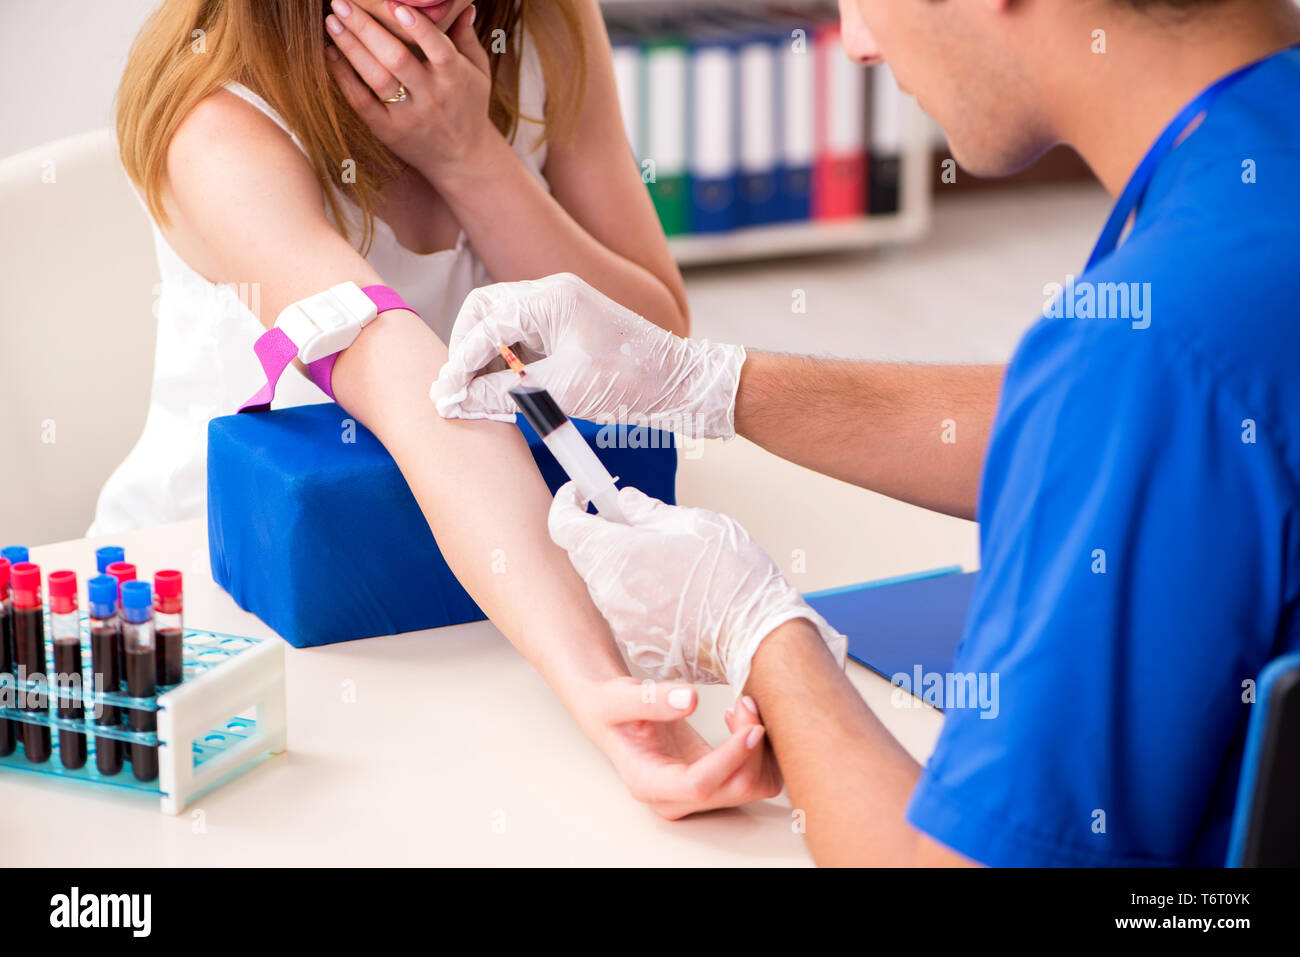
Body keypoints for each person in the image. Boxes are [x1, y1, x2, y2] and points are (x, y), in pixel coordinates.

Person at [433, 0, 1300, 865]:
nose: (855, 44)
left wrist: (759, 633)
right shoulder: (1250, 174)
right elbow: (1123, 430)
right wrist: (706, 381)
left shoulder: (1158, 354)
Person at [101, 0, 780, 816]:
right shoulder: (218, 115)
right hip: (231, 594)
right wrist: (601, 684)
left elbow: (653, 339)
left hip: (487, 567)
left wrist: (470, 158)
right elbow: (410, 383)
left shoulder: (548, 27)